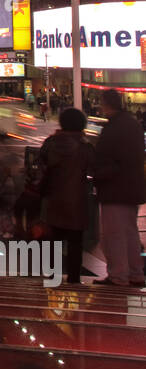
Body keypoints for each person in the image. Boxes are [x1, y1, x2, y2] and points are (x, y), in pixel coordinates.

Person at [94, 90, 146, 287]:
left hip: (115, 189)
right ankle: (135, 273)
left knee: (113, 235)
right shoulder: (132, 123)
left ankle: (118, 276)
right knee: (130, 233)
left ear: (107, 104)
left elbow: (110, 159)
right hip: (132, 188)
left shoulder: (115, 127)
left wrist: (98, 174)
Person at [37, 108, 94, 285]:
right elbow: (95, 169)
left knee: (53, 242)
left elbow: (39, 166)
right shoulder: (85, 147)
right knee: (75, 244)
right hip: (76, 200)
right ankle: (74, 280)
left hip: (53, 201)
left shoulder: (50, 143)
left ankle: (52, 279)